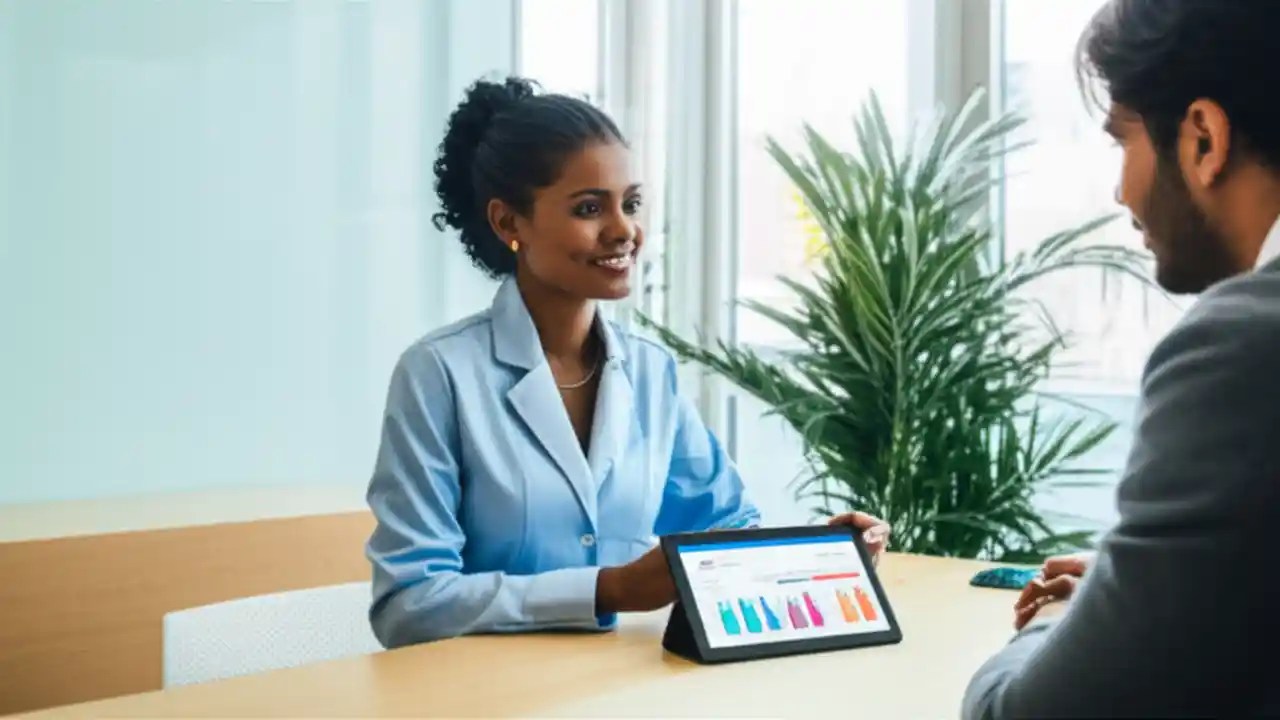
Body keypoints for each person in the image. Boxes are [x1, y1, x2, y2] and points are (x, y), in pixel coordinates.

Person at [364, 77, 891, 649]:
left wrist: (816, 550)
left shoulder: (649, 372)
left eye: (631, 203)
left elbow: (727, 529)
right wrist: (606, 590)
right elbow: (408, 606)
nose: (624, 231)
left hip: (621, 694)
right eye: (590, 208)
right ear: (508, 223)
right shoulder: (439, 376)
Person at [963, 1, 1280, 717]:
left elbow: (1024, 713)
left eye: (1121, 143)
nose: (1120, 191)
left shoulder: (1246, 346)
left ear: (1203, 137)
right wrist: (1144, 601)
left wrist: (1055, 626)